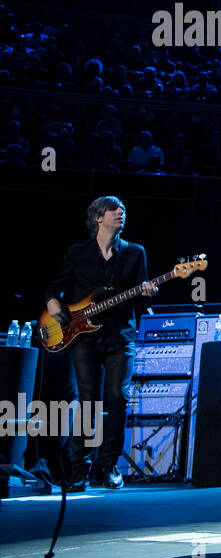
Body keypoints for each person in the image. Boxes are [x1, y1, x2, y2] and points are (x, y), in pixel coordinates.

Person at [43, 196, 158, 489]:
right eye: (113, 209)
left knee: (117, 399)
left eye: (123, 209)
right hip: (84, 337)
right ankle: (80, 469)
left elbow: (143, 292)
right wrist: (54, 306)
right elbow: (55, 288)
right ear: (97, 217)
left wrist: (148, 292)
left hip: (120, 336)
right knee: (88, 401)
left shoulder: (135, 252)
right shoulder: (78, 252)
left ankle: (109, 467)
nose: (121, 212)